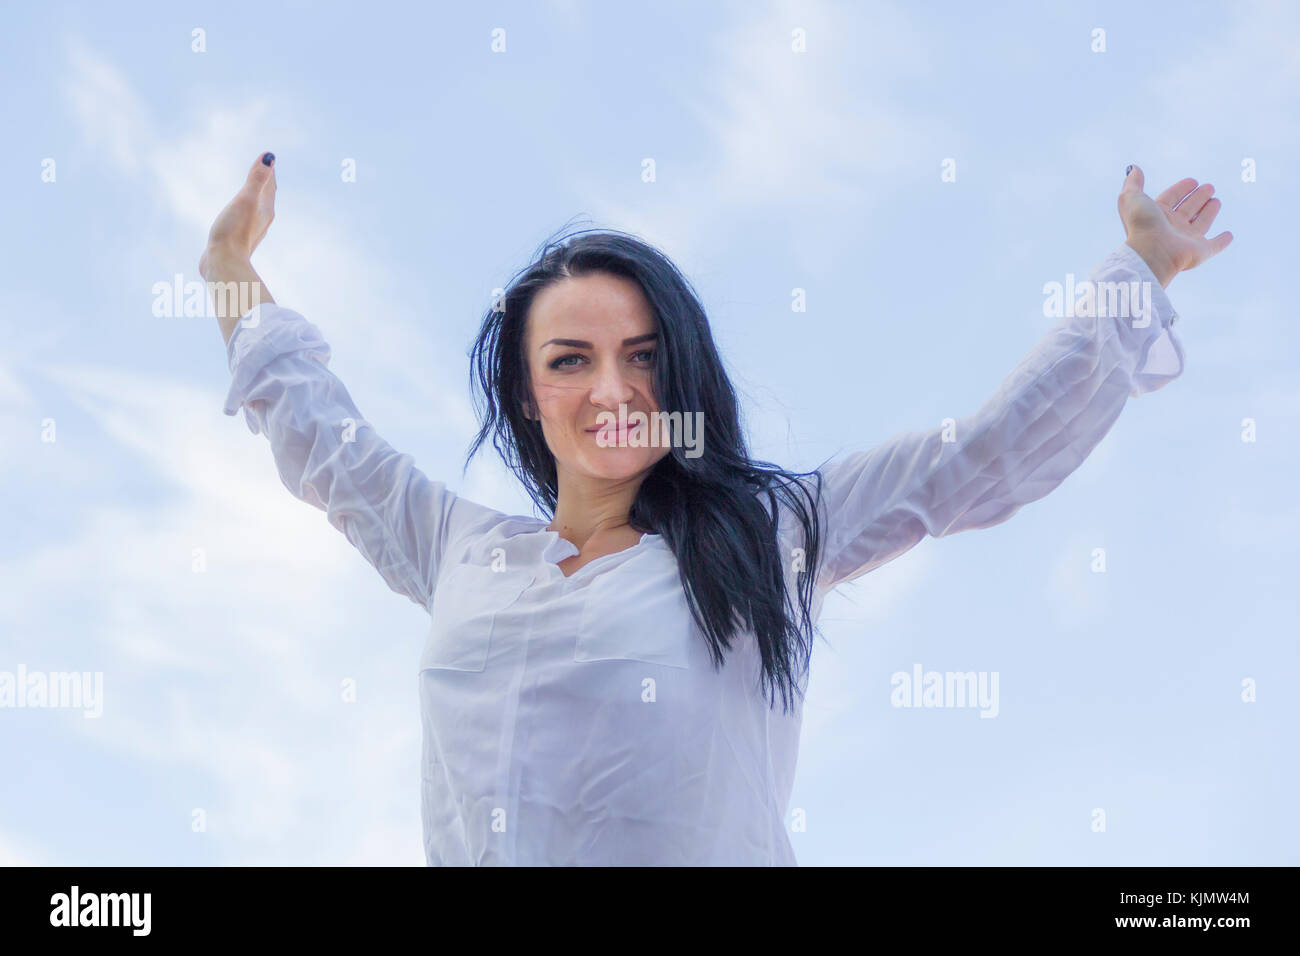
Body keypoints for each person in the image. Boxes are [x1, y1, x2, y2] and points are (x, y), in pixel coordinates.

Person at [200, 151, 1232, 865]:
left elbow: (986, 453)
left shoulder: (773, 532)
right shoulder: (455, 548)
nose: (611, 389)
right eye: (569, 360)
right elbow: (317, 431)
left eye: (642, 358)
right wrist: (228, 270)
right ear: (526, 393)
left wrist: (1137, 269)